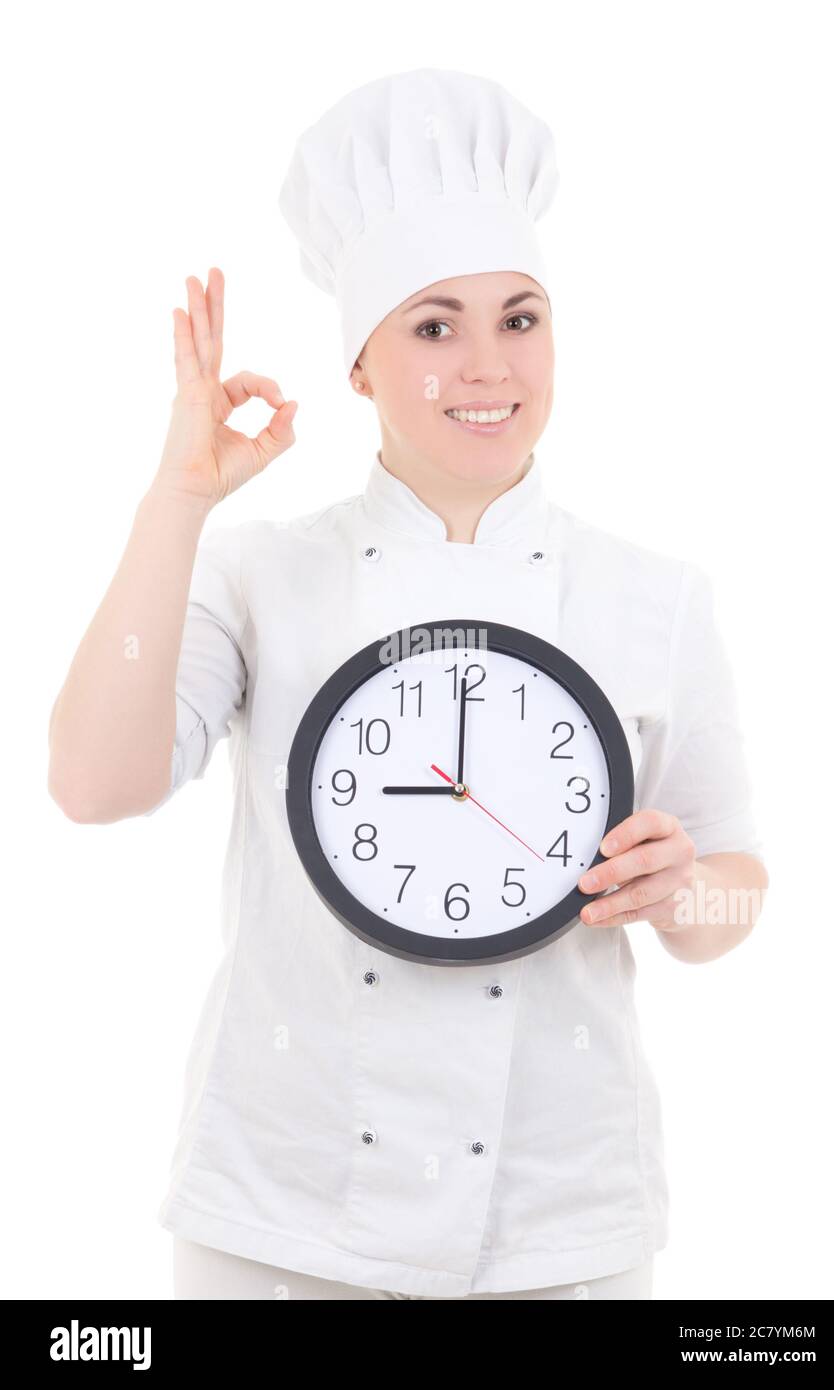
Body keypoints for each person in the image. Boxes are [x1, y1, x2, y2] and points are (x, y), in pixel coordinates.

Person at [47, 68, 769, 1301]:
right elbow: (92, 784)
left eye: (520, 318)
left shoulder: (656, 595)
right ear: (361, 367)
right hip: (277, 1225)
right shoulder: (257, 575)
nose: (486, 365)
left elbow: (731, 907)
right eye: (432, 325)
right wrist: (178, 500)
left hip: (563, 1229)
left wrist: (681, 889)